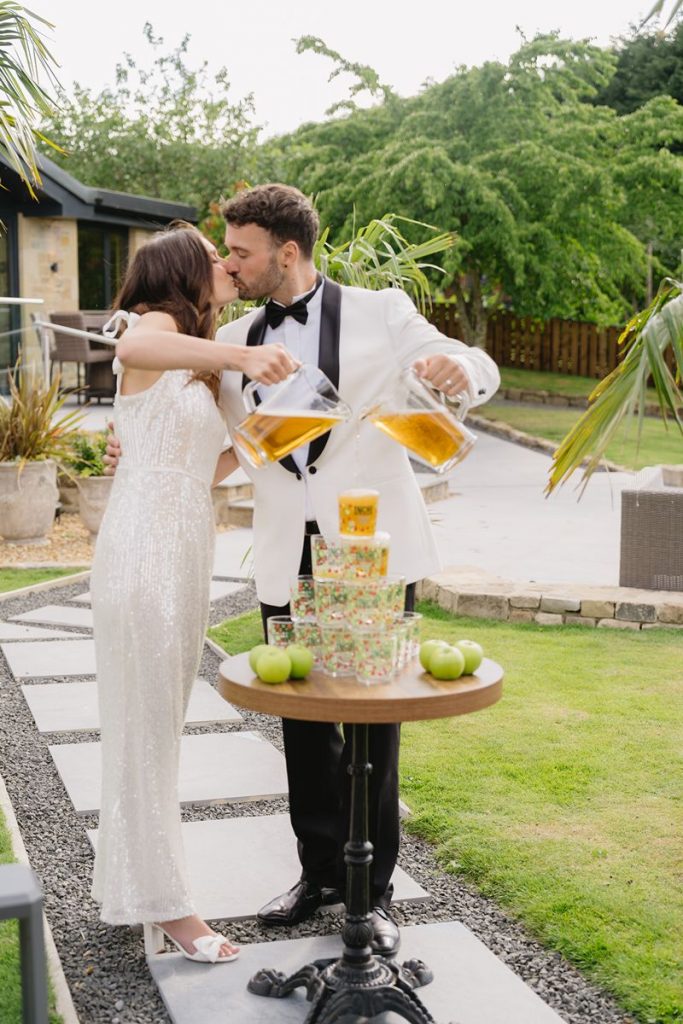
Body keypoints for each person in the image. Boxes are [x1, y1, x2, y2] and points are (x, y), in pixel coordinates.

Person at [215, 183, 501, 956]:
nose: (230, 265)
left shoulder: (382, 310)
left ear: (287, 251)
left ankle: (372, 895)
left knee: (373, 722)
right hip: (288, 550)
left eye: (241, 252)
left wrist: (456, 369)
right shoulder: (235, 337)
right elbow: (224, 443)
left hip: (372, 546)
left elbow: (470, 361)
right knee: (301, 723)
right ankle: (316, 873)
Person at [91, 223, 297, 964]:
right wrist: (241, 356)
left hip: (181, 548)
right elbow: (132, 351)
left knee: (154, 728)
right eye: (215, 257)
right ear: (181, 271)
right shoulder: (152, 327)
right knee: (146, 731)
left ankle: (131, 884)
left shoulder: (194, 359)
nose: (227, 266)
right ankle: (171, 909)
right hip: (142, 551)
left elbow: (201, 468)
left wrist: (269, 436)